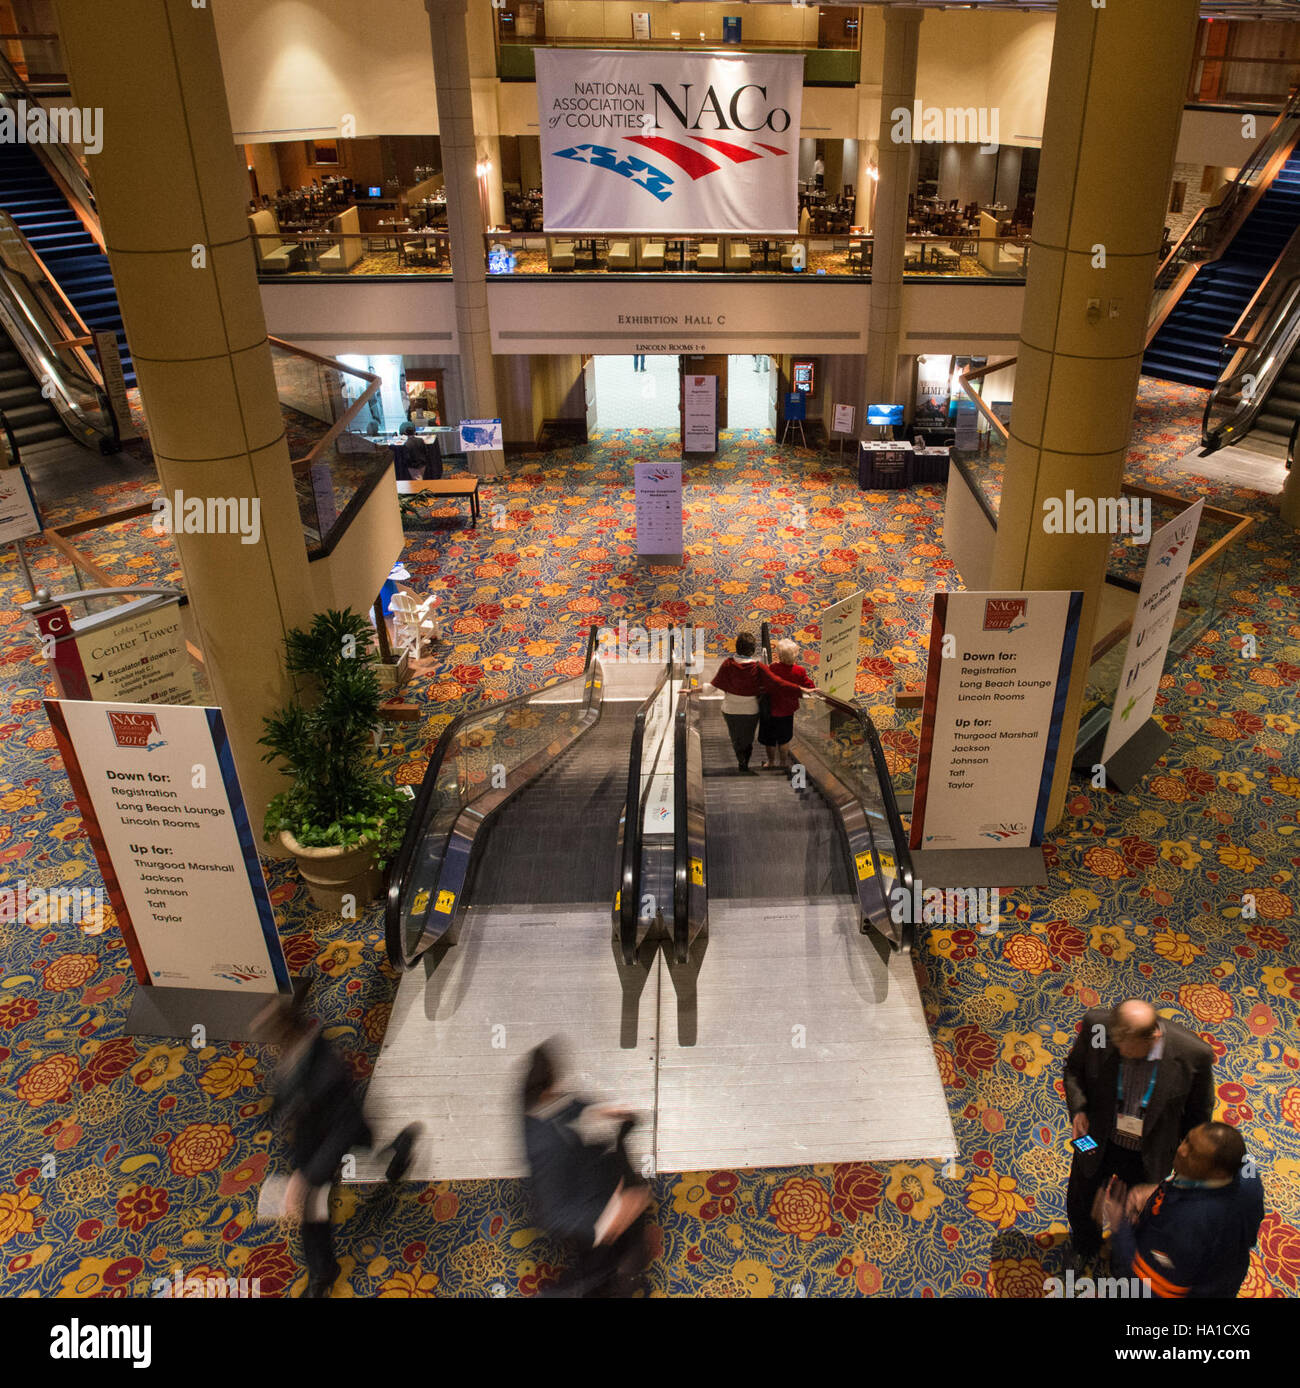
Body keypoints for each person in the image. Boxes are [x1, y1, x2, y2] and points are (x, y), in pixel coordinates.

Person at [257, 997, 421, 1298]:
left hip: (343, 1142)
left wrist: (307, 1177)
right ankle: (323, 1270)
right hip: (313, 1145)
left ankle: (397, 1156)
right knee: (312, 1206)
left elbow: (342, 1130)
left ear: (287, 1030)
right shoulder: (292, 1053)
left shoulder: (327, 1069)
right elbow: (288, 1091)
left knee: (360, 1171)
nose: (267, 1042)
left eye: (270, 1032)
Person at [1063, 998, 1214, 1265]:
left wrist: (1187, 1164)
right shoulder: (1099, 1028)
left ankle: (1124, 1257)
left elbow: (1198, 1115)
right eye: (1116, 1041)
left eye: (1126, 1046)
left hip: (1150, 1151)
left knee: (1139, 1210)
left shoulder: (1193, 1054)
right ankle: (1085, 1245)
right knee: (1083, 1193)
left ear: (1153, 1036)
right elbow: (1074, 1071)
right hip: (1098, 1137)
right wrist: (1079, 1110)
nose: (1117, 1050)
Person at [521, 1040, 651, 1297]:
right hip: (568, 1212)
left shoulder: (534, 1108)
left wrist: (602, 1110)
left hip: (578, 1182)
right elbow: (561, 1210)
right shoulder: (545, 1143)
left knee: (612, 1167)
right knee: (607, 1259)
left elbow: (566, 1105)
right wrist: (615, 1213)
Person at [1104, 1122, 1265, 1298]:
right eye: (1187, 1140)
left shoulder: (1186, 1224)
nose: (1182, 1150)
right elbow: (1250, 1231)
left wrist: (1120, 1225)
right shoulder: (1247, 1173)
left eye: (1194, 1153)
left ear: (1218, 1173)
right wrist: (1161, 1189)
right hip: (1225, 1273)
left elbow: (1148, 1288)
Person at [709, 632, 809, 773]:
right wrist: (801, 689)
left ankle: (761, 762)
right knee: (778, 739)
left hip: (753, 710)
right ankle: (782, 763)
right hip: (774, 710)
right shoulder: (767, 668)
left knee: (756, 738)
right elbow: (780, 683)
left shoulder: (766, 667)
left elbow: (715, 685)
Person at [758, 637, 824, 771]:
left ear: (779, 655)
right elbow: (809, 685)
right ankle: (783, 763)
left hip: (770, 710)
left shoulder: (772, 668)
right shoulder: (799, 671)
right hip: (787, 711)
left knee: (769, 739)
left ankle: (770, 762)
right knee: (784, 740)